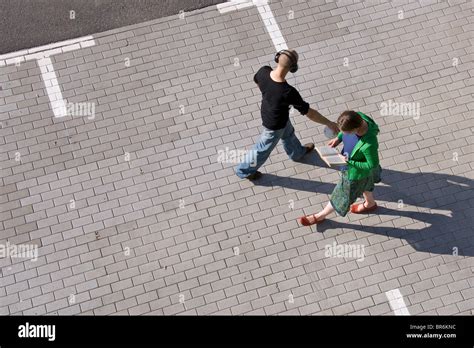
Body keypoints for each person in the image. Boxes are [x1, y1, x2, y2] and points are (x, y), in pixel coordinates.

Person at [235, 49, 339, 180]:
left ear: (277, 58)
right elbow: (310, 113)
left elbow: (257, 82)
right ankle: (244, 170)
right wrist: (329, 123)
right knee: (262, 149)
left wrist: (269, 96)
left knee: (288, 133)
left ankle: (297, 153)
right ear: (292, 68)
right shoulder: (288, 92)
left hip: (275, 115)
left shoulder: (263, 71)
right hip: (273, 124)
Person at [298, 110, 382, 225]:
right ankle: (370, 204)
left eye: (346, 133)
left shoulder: (369, 144)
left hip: (355, 173)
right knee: (366, 184)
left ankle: (320, 216)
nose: (344, 134)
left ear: (356, 129)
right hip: (360, 172)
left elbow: (372, 165)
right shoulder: (358, 118)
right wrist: (338, 138)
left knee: (341, 195)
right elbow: (344, 132)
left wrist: (351, 162)